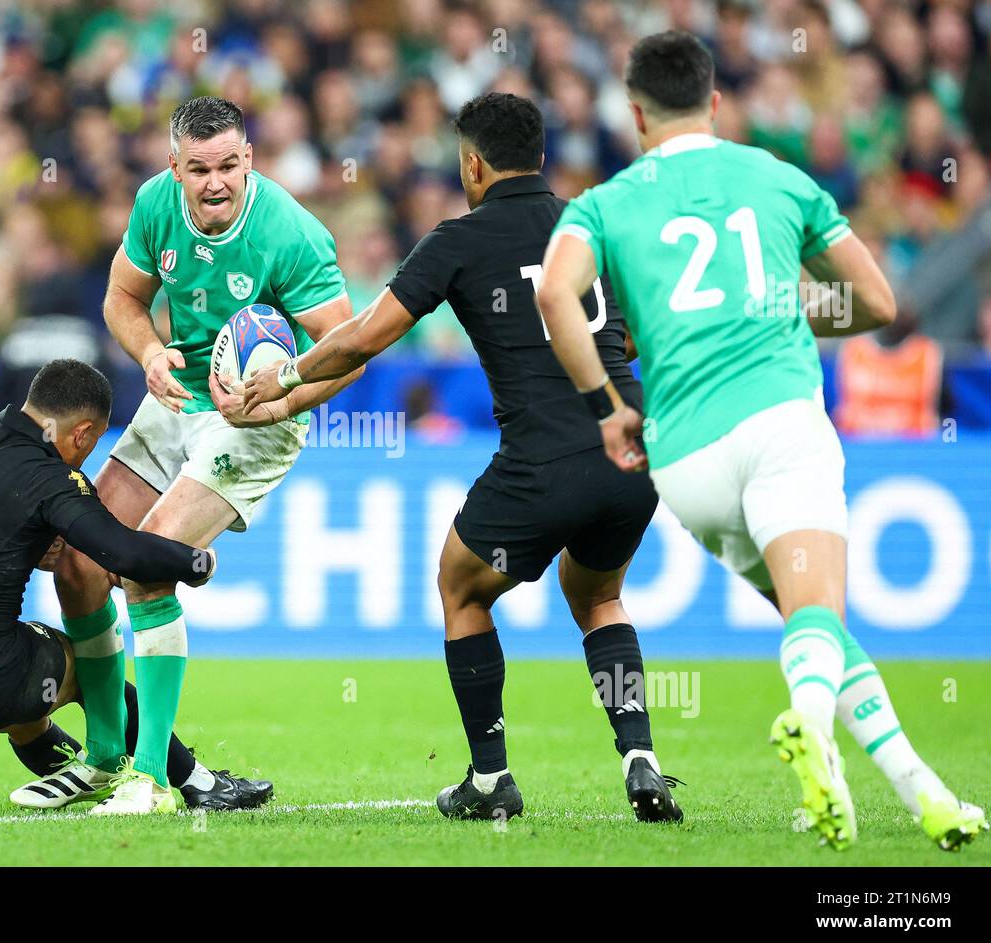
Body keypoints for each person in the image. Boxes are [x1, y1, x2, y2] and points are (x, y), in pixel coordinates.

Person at [536, 30, 986, 851]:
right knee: (817, 614)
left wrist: (605, 405)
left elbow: (556, 297)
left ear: (636, 115)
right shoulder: (778, 178)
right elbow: (880, 305)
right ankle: (809, 727)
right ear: (716, 103)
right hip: (778, 425)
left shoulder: (602, 202)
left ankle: (927, 795)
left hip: (684, 462)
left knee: (819, 629)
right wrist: (792, 309)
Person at [244, 92, 681, 823]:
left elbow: (362, 338)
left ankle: (489, 780)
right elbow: (640, 335)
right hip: (630, 454)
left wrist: (283, 378)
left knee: (461, 586)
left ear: (472, 164)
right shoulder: (593, 225)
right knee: (599, 596)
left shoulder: (459, 239)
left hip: (543, 459)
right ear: (539, 158)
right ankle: (641, 758)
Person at [24, 96, 362, 815]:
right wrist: (149, 352)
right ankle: (108, 754)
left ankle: (150, 779)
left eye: (230, 166)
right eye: (200, 168)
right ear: (175, 166)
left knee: (145, 568)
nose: (216, 183)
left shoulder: (290, 235)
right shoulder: (154, 204)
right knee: (79, 560)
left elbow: (349, 353)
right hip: (178, 397)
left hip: (257, 418)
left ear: (251, 160)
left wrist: (281, 398)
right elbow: (122, 296)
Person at [0, 359, 261, 812]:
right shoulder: (50, 477)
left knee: (26, 699)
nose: (86, 457)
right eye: (91, 445)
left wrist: (30, 544)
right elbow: (125, 555)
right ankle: (196, 781)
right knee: (92, 669)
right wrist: (198, 562)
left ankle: (75, 767)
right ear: (82, 433)